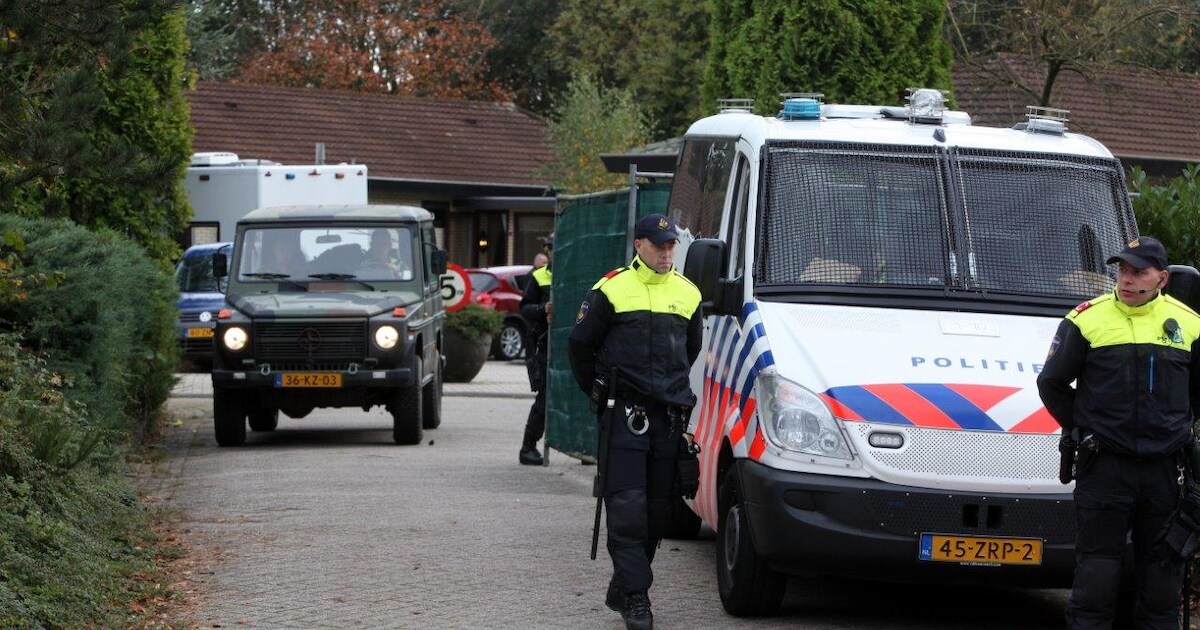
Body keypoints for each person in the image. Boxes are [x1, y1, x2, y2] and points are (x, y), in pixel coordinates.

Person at [1037, 236, 1200, 630]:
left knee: (1162, 581)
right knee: (1097, 578)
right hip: (1106, 467)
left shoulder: (1190, 324)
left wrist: (1176, 428)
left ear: (1161, 279)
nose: (1127, 279)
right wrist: (1085, 428)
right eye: (1122, 270)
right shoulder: (1085, 319)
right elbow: (1052, 383)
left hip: (1165, 471)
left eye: (1138, 272)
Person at [568, 214, 703, 630]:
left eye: (671, 246)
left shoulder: (688, 293)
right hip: (624, 417)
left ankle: (624, 586)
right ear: (639, 244)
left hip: (668, 421)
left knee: (658, 513)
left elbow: (691, 350)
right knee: (627, 511)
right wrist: (603, 396)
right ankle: (638, 598)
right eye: (659, 245)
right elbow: (580, 347)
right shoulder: (610, 289)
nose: (666, 253)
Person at [518, 235, 554, 466]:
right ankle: (528, 448)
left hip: (568, 347)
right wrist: (543, 309)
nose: (553, 253)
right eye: (551, 249)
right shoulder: (539, 276)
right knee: (544, 399)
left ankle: (582, 446)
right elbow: (525, 308)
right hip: (543, 347)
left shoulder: (577, 274)